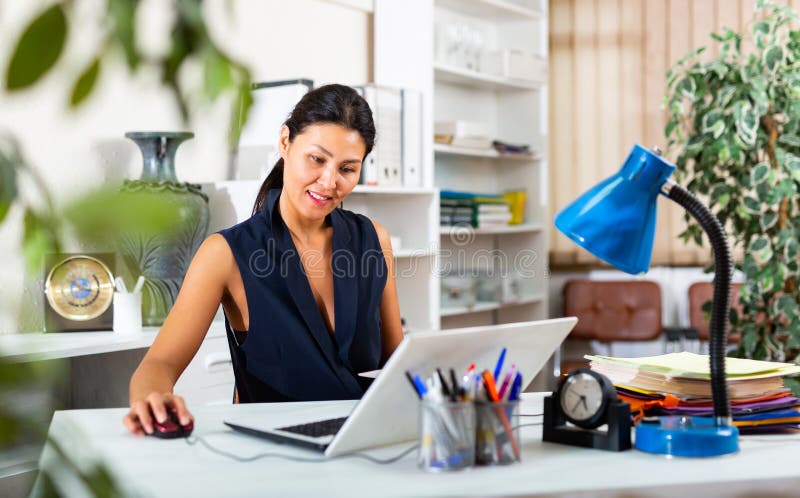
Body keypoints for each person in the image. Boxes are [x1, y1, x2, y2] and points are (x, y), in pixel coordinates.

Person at [123, 84, 404, 436]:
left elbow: (396, 362)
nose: (329, 181)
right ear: (285, 142)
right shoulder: (226, 253)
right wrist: (153, 399)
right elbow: (159, 364)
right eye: (317, 159)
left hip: (363, 442)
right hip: (273, 452)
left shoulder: (374, 240)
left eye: (347, 168)